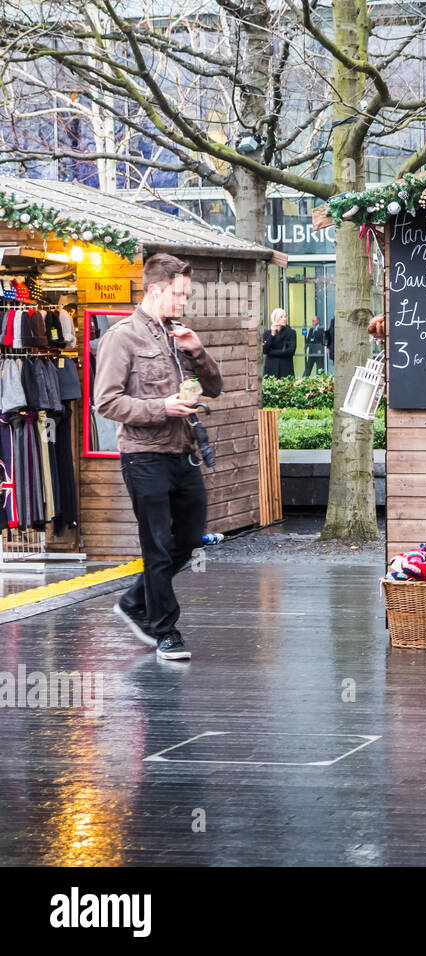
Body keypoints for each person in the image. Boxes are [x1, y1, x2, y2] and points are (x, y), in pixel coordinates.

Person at [93, 253, 222, 661]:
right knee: (158, 546)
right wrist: (160, 408)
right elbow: (107, 402)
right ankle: (166, 631)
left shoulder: (179, 334)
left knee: (188, 539)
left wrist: (198, 351)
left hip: (183, 452)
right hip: (144, 455)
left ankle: (133, 601)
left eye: (186, 294)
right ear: (155, 290)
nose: (184, 302)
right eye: (179, 294)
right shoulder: (122, 337)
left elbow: (214, 388)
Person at [262, 308, 296, 378]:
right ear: (275, 318)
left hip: (286, 370)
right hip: (271, 370)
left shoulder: (291, 333)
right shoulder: (267, 333)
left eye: (285, 316)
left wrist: (271, 352)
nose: (284, 319)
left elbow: (291, 351)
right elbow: (265, 350)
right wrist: (272, 335)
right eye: (281, 317)